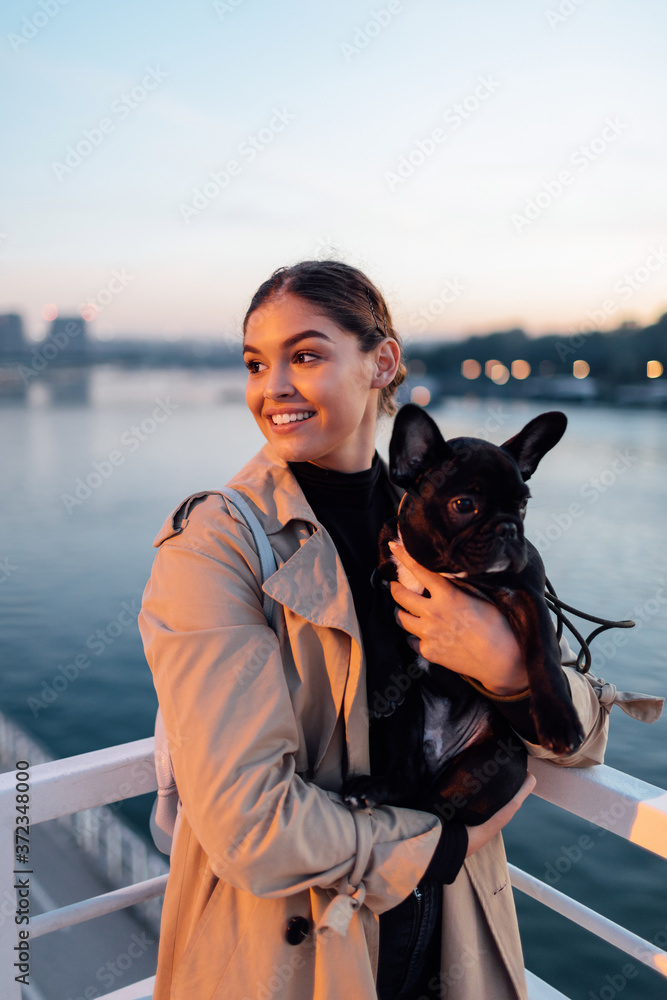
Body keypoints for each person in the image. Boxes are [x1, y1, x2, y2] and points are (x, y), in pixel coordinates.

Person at [138, 260, 610, 1000]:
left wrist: (505, 666)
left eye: (305, 355)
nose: (272, 387)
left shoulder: (452, 513)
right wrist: (438, 844)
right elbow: (248, 824)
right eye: (256, 364)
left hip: (451, 945)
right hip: (294, 956)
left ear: (382, 362)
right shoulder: (215, 546)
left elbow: (578, 739)